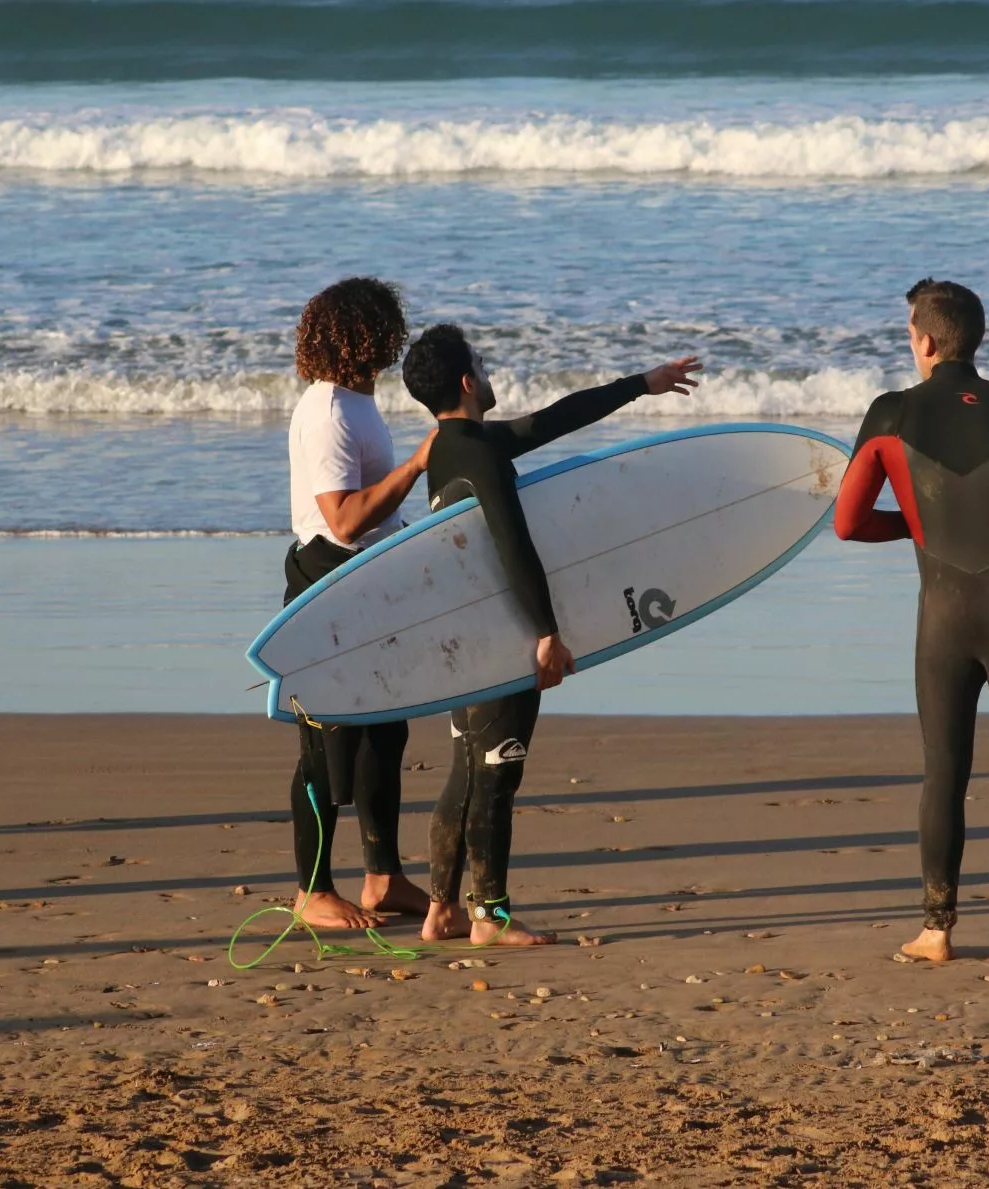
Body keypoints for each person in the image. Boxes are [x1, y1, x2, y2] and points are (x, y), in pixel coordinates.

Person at [400, 324, 702, 946]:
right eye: (481, 362)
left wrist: (641, 386)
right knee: (497, 776)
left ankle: (442, 910)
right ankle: (493, 919)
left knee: (466, 768)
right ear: (466, 382)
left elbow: (551, 421)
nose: (488, 371)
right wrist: (545, 633)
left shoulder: (451, 446)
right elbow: (514, 549)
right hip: (503, 633)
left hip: (463, 636)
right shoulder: (481, 454)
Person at [833, 279, 989, 965]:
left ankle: (936, 931)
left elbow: (847, 522)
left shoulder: (891, 413)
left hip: (945, 618)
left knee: (943, 768)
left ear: (922, 339)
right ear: (974, 338)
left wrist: (920, 522)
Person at [282, 277, 437, 930]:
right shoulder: (328, 413)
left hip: (368, 579)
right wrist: (420, 462)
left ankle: (383, 877)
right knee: (325, 744)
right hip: (328, 582)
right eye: (388, 329)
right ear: (366, 334)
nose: (395, 341)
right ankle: (312, 890)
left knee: (385, 735)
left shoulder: (356, 400)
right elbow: (342, 520)